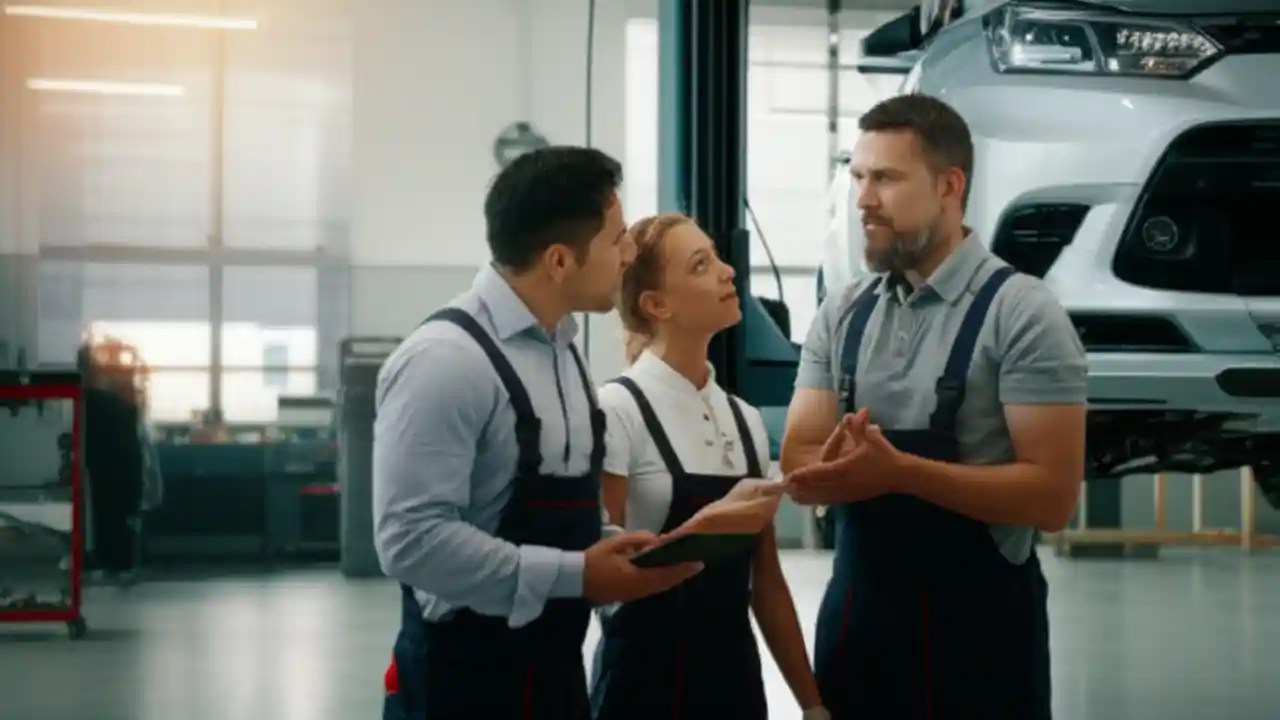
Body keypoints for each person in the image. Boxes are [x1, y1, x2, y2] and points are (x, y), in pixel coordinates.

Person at [780, 94, 1087, 719]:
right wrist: (838, 471)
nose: (864, 199)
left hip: (980, 636)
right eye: (858, 177)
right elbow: (798, 461)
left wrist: (900, 474)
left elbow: (1051, 498)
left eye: (887, 179)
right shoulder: (843, 311)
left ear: (950, 186)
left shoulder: (1024, 314)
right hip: (858, 622)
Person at [373, 146, 704, 720]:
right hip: (461, 687)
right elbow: (410, 539)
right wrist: (578, 573)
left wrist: (608, 546)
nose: (629, 255)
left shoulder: (564, 349)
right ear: (558, 260)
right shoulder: (445, 362)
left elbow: (549, 497)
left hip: (553, 675)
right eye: (616, 239)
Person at [589, 213, 830, 720]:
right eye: (702, 265)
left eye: (718, 257)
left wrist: (811, 705)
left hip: (733, 686)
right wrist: (706, 527)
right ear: (657, 305)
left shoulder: (742, 419)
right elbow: (599, 572)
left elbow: (766, 583)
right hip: (641, 687)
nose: (728, 272)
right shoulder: (618, 409)